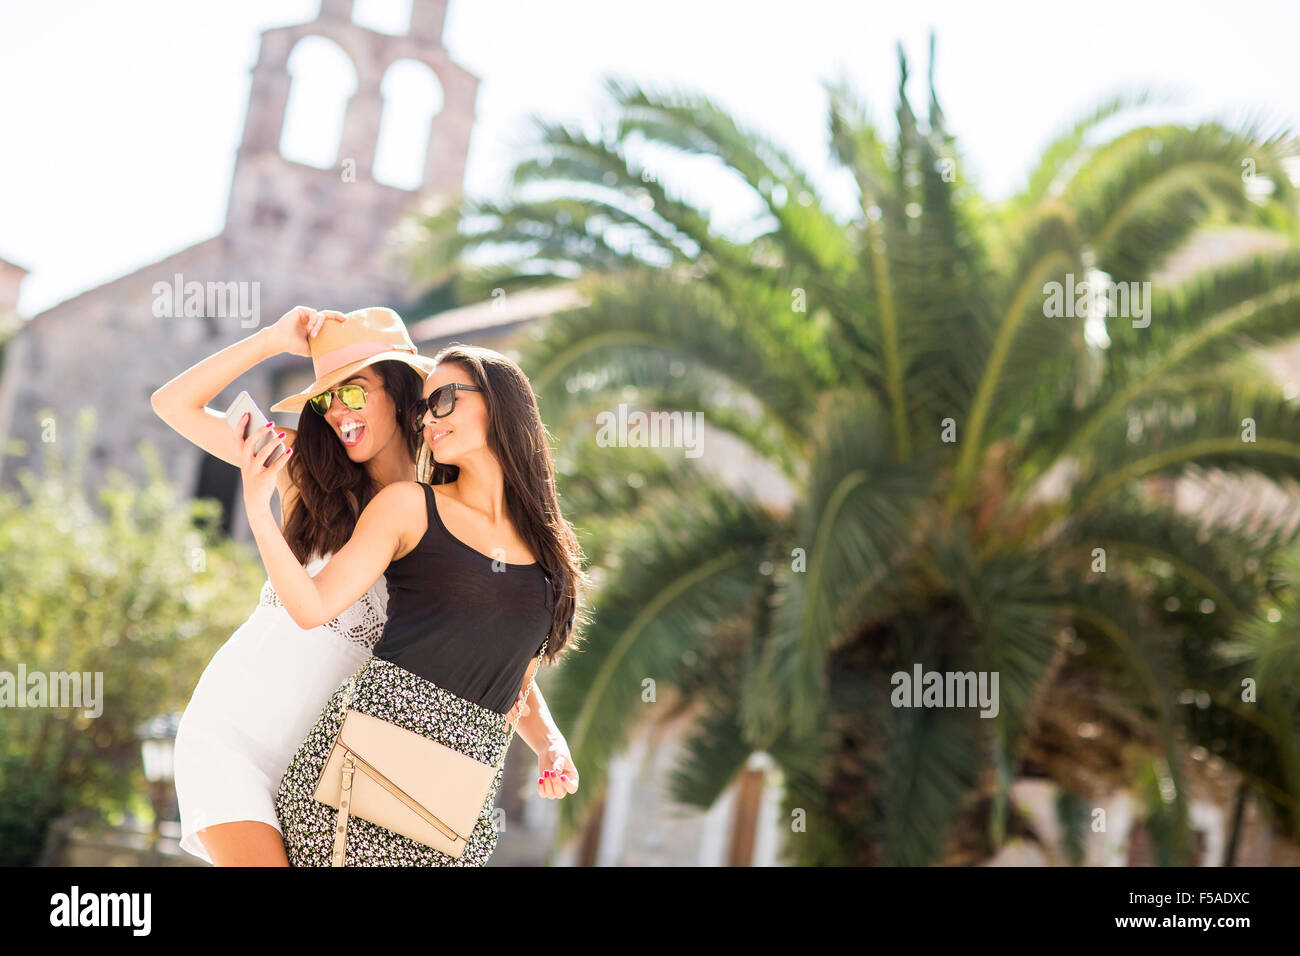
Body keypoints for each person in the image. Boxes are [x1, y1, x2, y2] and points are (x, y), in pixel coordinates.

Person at [152, 306, 536, 866]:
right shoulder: (302, 470)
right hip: (229, 741)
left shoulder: (441, 519)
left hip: (331, 769)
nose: (336, 412)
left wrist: (547, 741)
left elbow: (492, 641)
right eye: (324, 398)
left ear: (405, 397)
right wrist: (270, 340)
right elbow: (172, 404)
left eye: (353, 393)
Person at [237, 343, 584, 866]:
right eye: (423, 407)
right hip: (356, 776)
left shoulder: (552, 558)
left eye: (443, 400)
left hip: (459, 801)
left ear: (499, 402)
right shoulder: (408, 506)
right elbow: (310, 606)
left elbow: (517, 678)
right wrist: (258, 510)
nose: (427, 419)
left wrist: (550, 743)